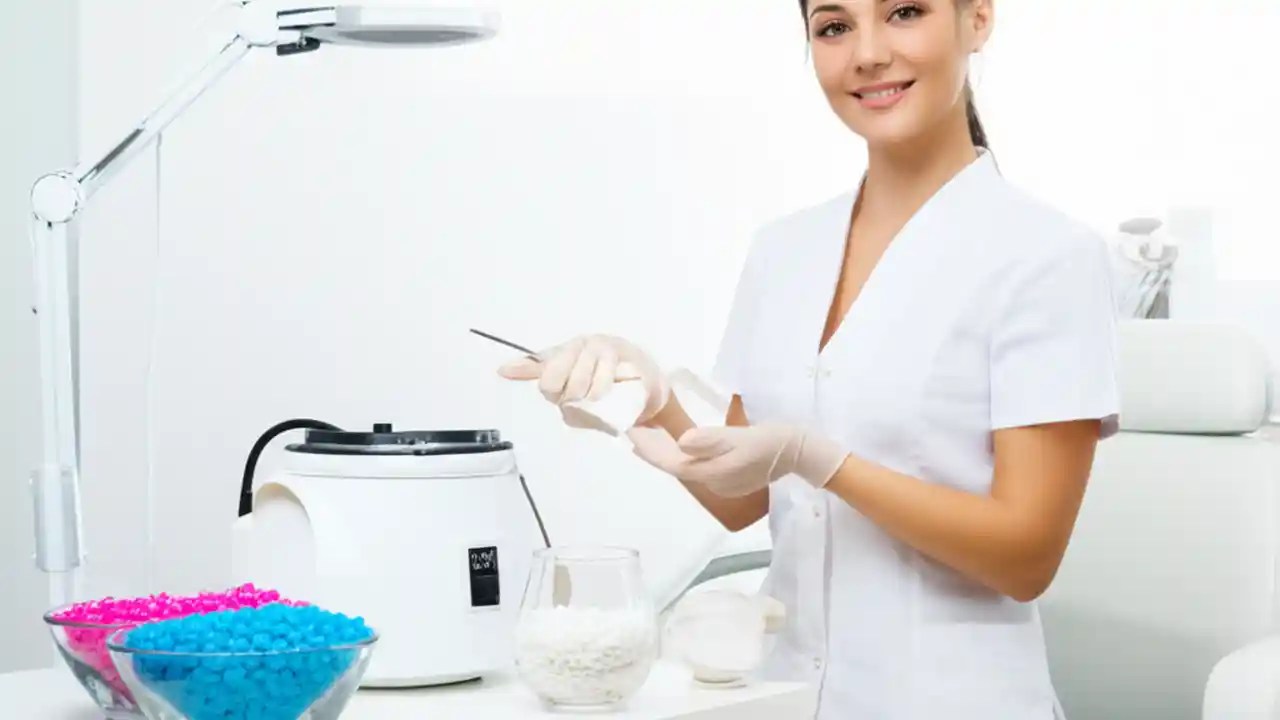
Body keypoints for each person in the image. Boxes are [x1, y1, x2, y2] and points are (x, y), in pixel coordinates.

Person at [498, 0, 1120, 717]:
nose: (867, 53)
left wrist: (818, 458)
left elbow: (1026, 555)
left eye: (905, 13)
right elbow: (742, 498)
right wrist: (645, 393)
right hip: (785, 693)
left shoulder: (1046, 258)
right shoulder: (784, 251)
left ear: (976, 20)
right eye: (833, 26)